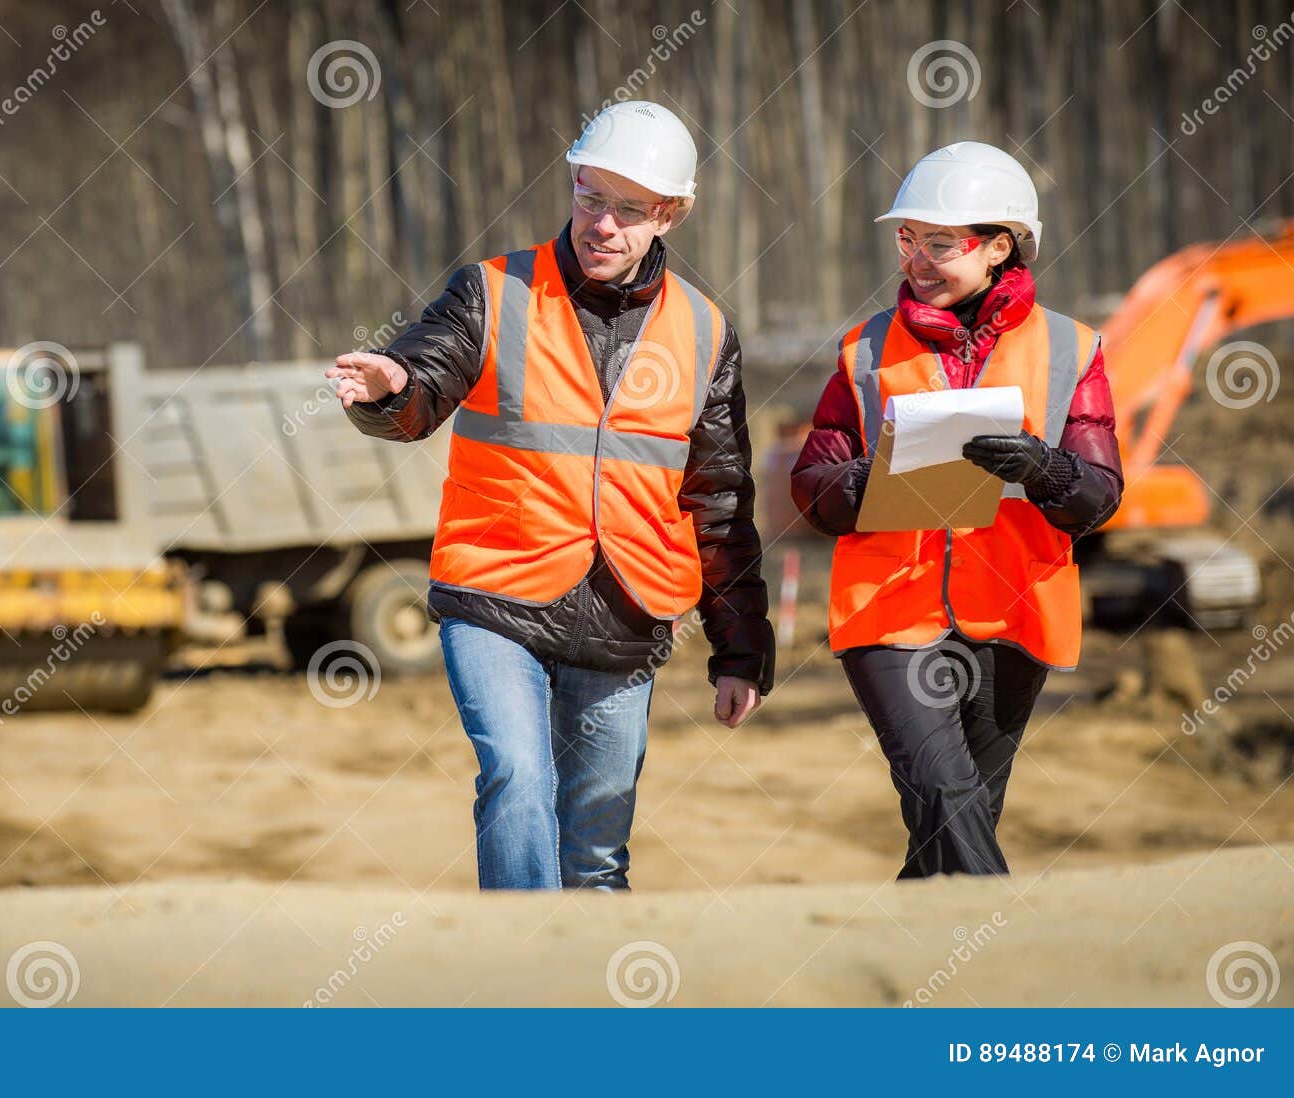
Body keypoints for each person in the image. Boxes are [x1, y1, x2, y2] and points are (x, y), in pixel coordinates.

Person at [328, 101, 775, 891]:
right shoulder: (494, 291)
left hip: (627, 611)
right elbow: (426, 377)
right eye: (588, 196)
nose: (602, 223)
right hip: (496, 591)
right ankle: (522, 977)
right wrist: (392, 388)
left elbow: (721, 500)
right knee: (518, 778)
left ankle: (584, 1004)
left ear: (670, 213)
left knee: (597, 854)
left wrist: (740, 647)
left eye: (628, 208)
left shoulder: (704, 331)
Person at [790, 141, 1123, 879]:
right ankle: (1012, 946)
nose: (915, 258)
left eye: (939, 243)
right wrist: (871, 481)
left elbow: (1099, 497)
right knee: (947, 791)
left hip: (1015, 614)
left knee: (953, 822)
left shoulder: (1071, 347)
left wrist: (1046, 468)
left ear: (999, 246)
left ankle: (927, 978)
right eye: (908, 240)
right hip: (887, 611)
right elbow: (814, 482)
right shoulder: (864, 348)